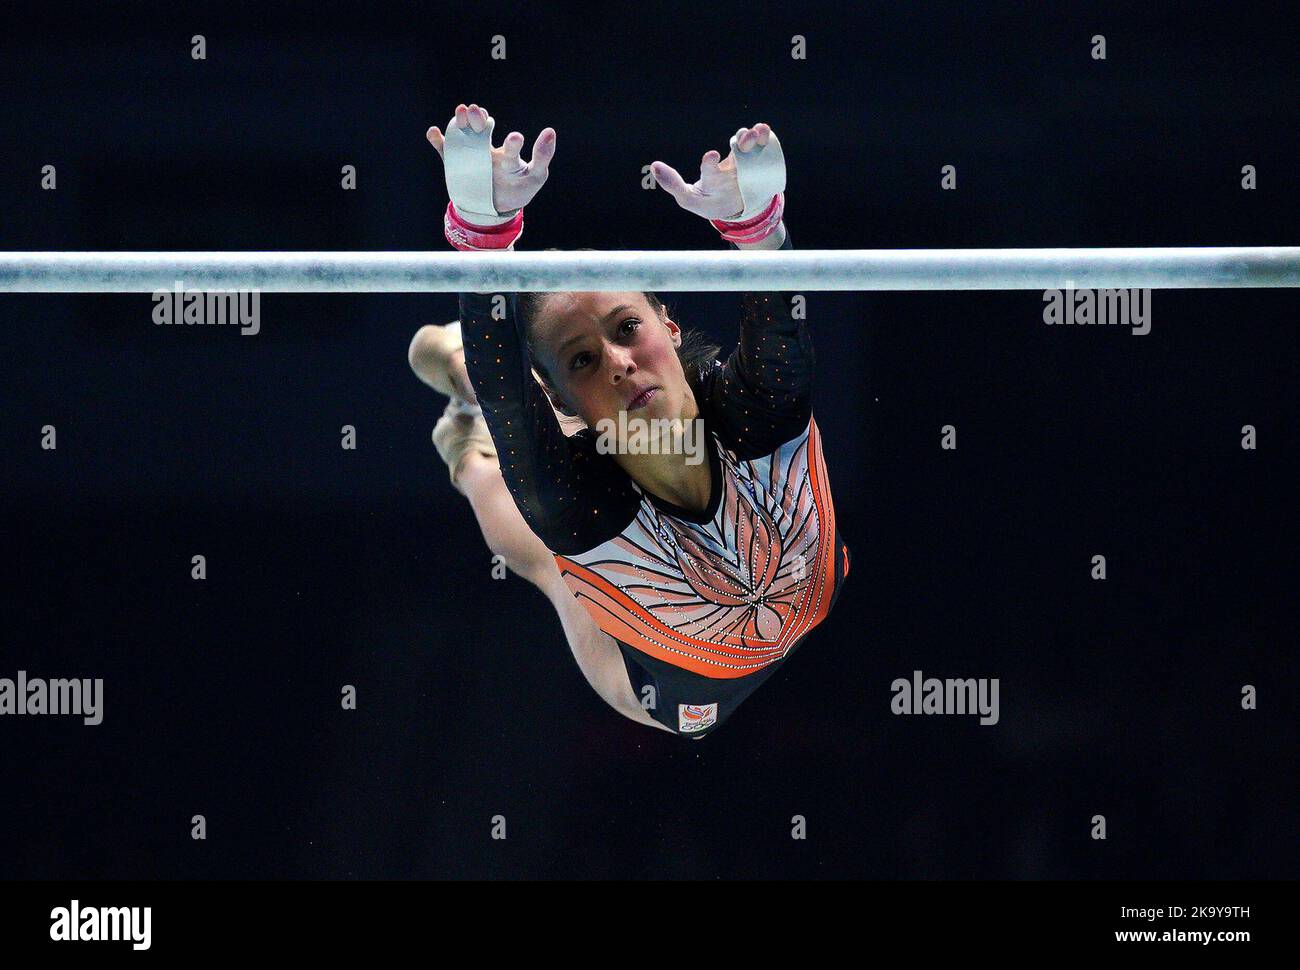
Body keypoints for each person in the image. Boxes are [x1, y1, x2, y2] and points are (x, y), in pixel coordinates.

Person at [413, 103, 851, 738]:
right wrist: (484, 239)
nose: (619, 363)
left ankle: (464, 375)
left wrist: (758, 231)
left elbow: (780, 314)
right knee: (525, 532)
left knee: (533, 481)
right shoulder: (580, 504)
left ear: (668, 326)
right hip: (664, 691)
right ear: (558, 398)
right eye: (584, 360)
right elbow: (507, 392)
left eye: (627, 329)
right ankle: (463, 413)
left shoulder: (751, 412)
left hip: (773, 594)